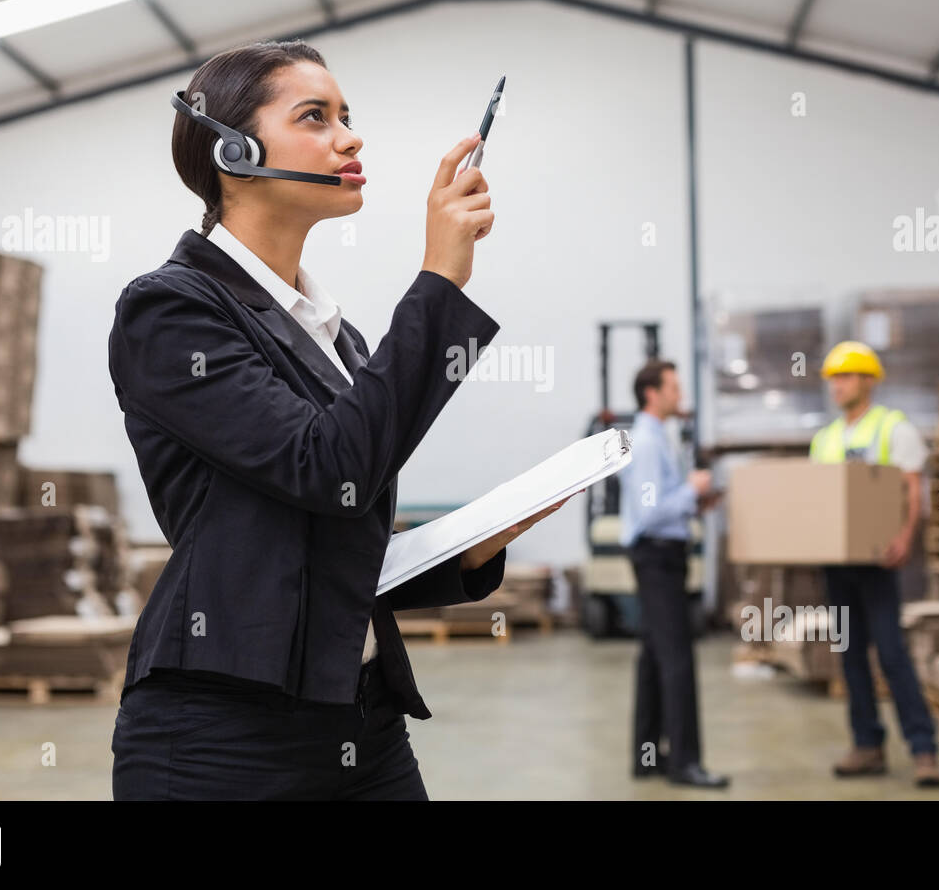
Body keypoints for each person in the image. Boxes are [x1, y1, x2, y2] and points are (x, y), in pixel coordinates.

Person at [108, 40, 571, 800]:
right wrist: (441, 277)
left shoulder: (336, 338)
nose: (350, 138)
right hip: (221, 740)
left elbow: (331, 537)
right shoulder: (170, 309)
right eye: (315, 117)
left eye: (346, 117)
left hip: (361, 723)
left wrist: (468, 549)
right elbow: (327, 466)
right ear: (234, 149)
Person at [810, 340, 939, 788]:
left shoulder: (892, 429)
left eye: (844, 377)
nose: (836, 386)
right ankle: (867, 746)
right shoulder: (825, 439)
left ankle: (924, 748)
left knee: (890, 653)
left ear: (868, 380)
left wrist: (906, 537)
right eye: (832, 379)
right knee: (850, 657)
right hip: (837, 564)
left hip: (877, 562)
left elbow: (911, 488)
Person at [617, 359, 727, 788]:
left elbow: (661, 504)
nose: (680, 395)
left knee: (654, 656)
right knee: (678, 659)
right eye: (673, 387)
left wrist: (694, 503)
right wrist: (690, 492)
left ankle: (646, 756)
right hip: (657, 557)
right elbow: (649, 513)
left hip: (663, 553)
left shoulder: (658, 437)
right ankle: (685, 762)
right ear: (652, 393)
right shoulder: (645, 442)